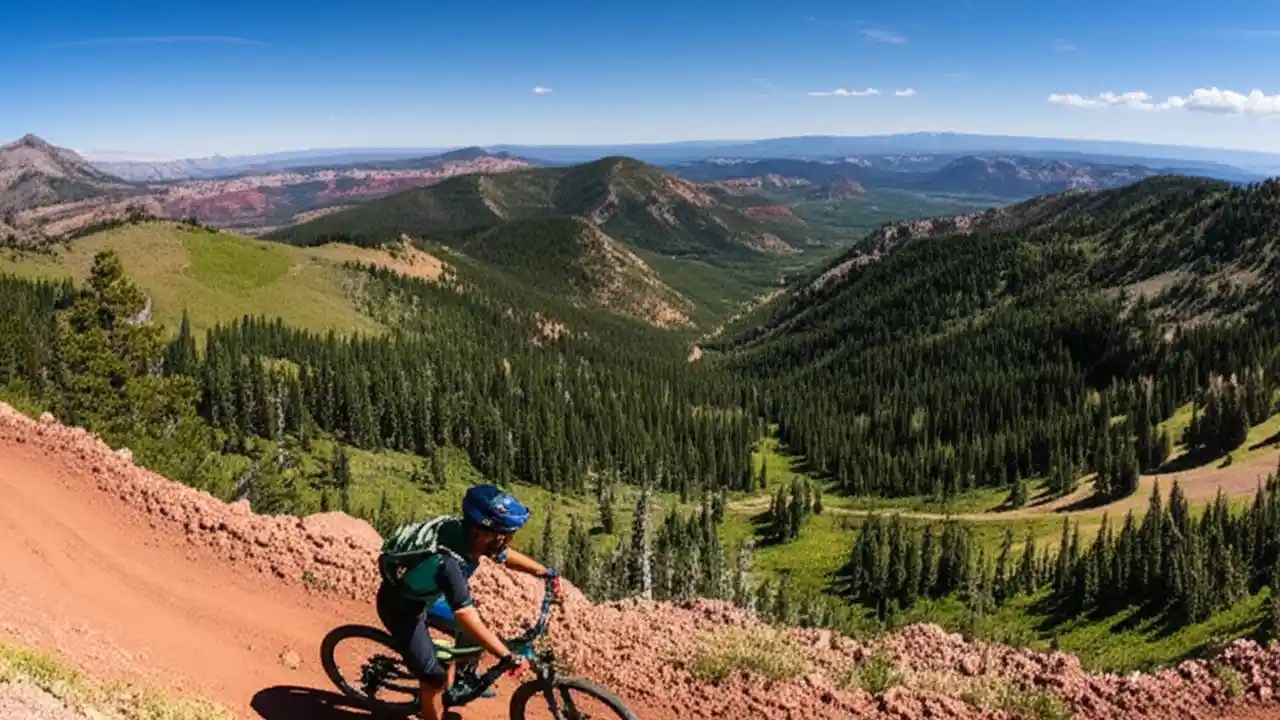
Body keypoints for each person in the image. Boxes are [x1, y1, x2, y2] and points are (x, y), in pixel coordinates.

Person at [377, 484, 559, 720]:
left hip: (428, 597)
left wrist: (543, 572)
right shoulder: (450, 564)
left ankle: (462, 679)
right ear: (481, 531)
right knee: (434, 677)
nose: (506, 539)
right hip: (403, 610)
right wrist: (506, 656)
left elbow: (505, 556)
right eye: (502, 533)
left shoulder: (472, 537)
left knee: (474, 635)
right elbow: (465, 615)